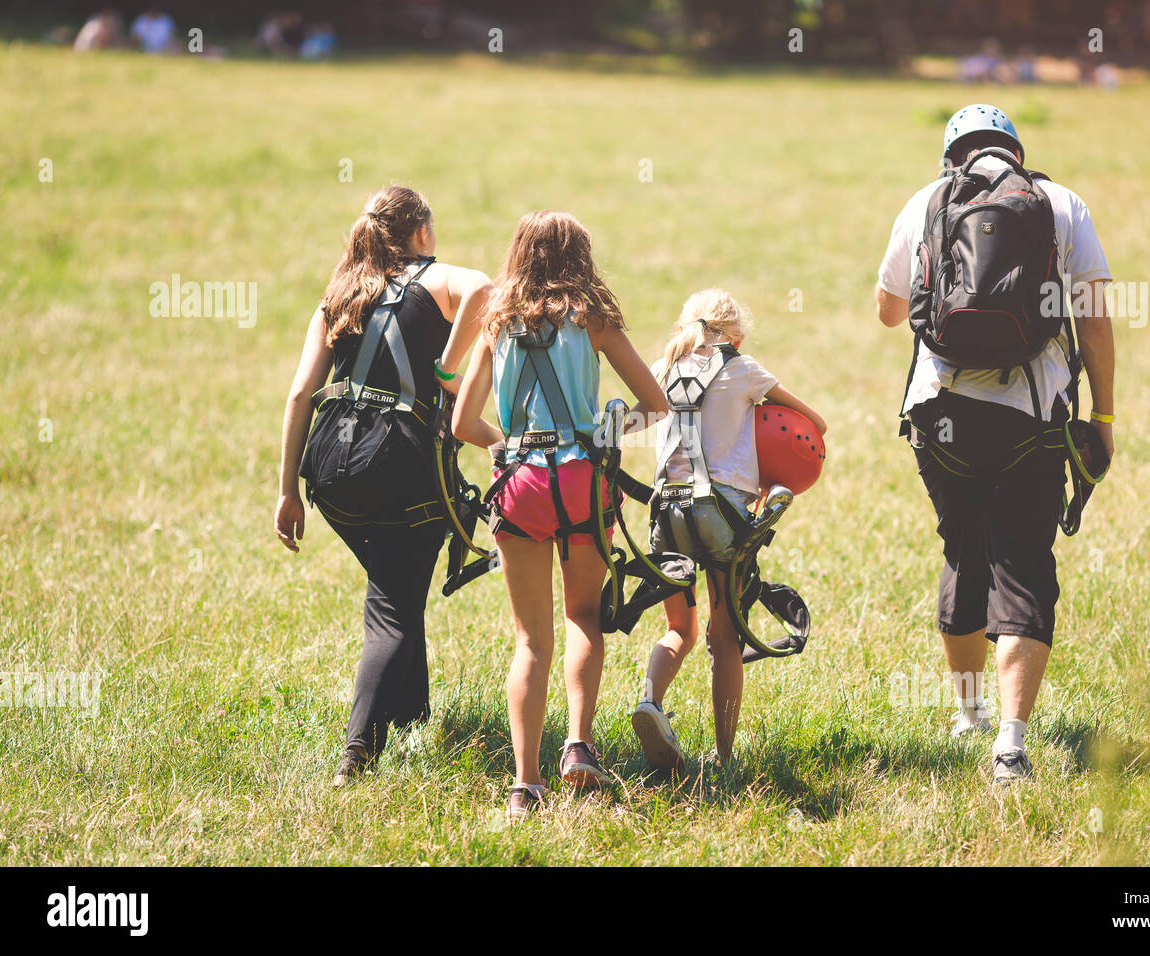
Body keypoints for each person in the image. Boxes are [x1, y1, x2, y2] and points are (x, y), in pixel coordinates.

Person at [874, 105, 1116, 784]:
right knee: (1023, 563)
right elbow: (1095, 319)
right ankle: (1010, 746)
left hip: (939, 412)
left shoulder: (926, 202)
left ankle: (969, 715)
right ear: (1015, 150)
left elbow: (889, 309)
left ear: (951, 155)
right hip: (1032, 415)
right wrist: (1104, 417)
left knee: (964, 550)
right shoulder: (1061, 204)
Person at [451, 211, 667, 821]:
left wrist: (507, 446)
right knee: (583, 616)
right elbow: (655, 404)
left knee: (529, 640)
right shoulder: (595, 321)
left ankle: (525, 783)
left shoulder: (496, 324)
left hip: (519, 485)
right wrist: (605, 429)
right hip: (582, 482)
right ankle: (579, 747)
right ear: (581, 258)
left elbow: (462, 424)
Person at [274, 185, 493, 786]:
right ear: (421, 233)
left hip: (329, 473)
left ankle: (411, 715)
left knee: (397, 582)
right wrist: (449, 366)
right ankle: (357, 754)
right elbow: (484, 289)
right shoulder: (436, 277)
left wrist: (288, 489)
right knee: (393, 609)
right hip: (398, 466)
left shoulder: (341, 290)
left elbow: (299, 394)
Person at [632, 289, 826, 773]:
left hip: (665, 514)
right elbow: (814, 424)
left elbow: (631, 422)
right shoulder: (743, 369)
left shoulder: (662, 368)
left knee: (679, 628)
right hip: (722, 516)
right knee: (725, 639)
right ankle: (724, 756)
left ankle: (650, 702)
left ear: (683, 329)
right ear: (735, 335)